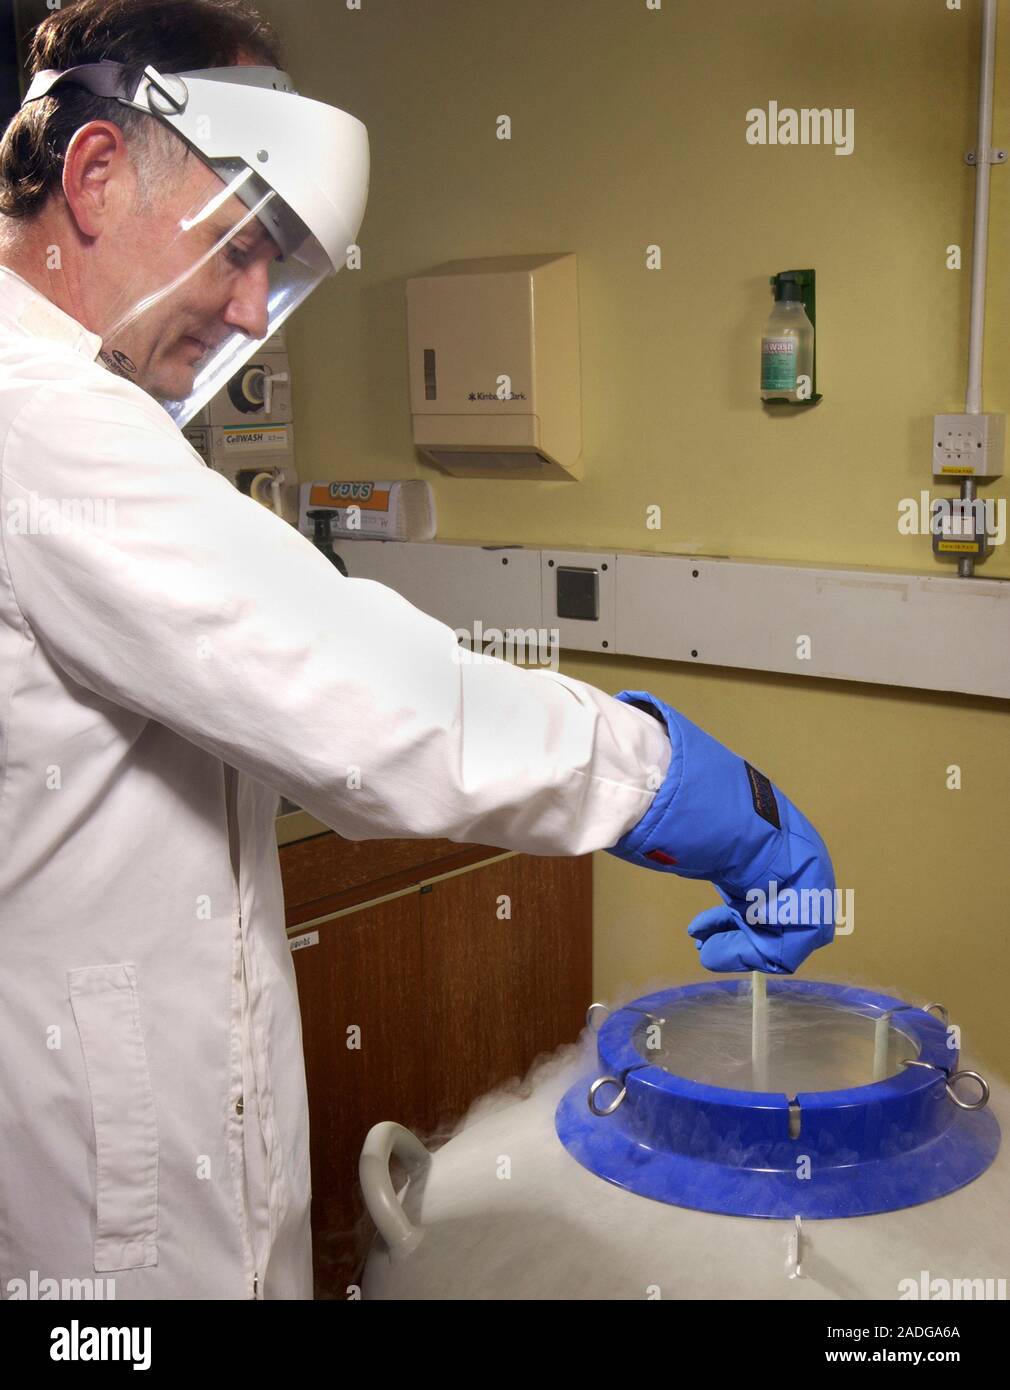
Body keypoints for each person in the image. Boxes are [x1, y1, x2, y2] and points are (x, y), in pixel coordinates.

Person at [0, 0, 834, 1300]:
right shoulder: (35, 425)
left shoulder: (81, 420)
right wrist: (686, 791)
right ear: (96, 173)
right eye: (238, 248)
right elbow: (375, 705)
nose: (240, 310)